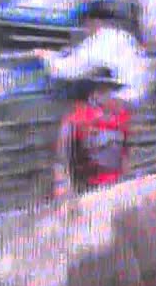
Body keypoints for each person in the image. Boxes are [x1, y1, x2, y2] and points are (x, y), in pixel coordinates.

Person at [33, 0, 152, 123]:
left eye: (84, 23)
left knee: (70, 115)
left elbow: (69, 70)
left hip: (123, 100)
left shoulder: (101, 40)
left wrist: (45, 56)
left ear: (93, 21)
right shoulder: (123, 36)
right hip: (138, 96)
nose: (84, 28)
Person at [53, 67, 130, 199]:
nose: (107, 94)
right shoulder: (76, 120)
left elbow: (125, 154)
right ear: (92, 93)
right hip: (87, 189)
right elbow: (63, 158)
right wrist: (63, 187)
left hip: (117, 187)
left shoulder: (120, 119)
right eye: (102, 90)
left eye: (109, 90)